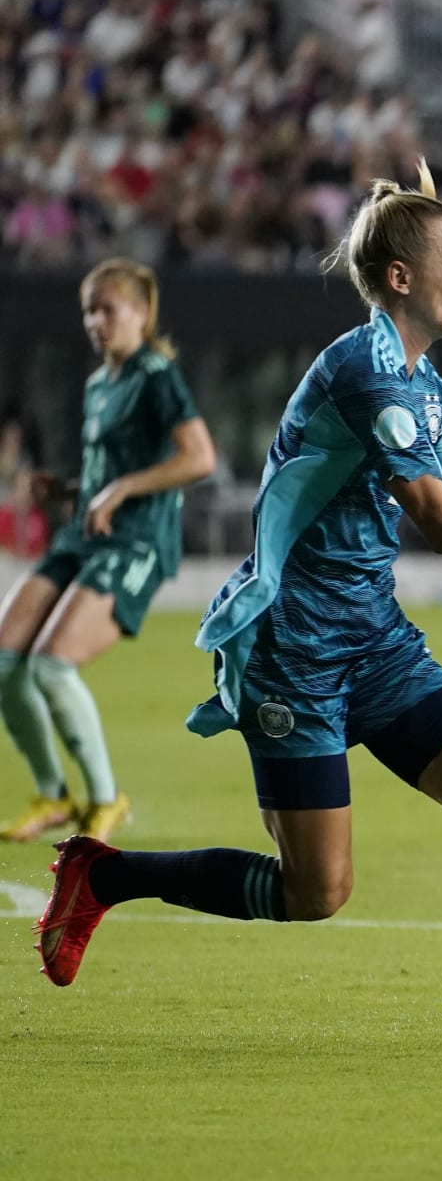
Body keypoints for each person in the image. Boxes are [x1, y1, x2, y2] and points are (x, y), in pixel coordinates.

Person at [33, 164, 442, 1052]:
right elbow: (434, 517)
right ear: (400, 277)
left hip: (376, 641)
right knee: (317, 894)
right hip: (291, 648)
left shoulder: (431, 391)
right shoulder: (363, 370)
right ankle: (103, 876)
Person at [0, 259, 216, 844]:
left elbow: (199, 457)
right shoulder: (100, 384)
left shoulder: (156, 374)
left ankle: (105, 800)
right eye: (89, 310)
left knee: (50, 664)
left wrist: (122, 489)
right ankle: (51, 793)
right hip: (84, 534)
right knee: (5, 661)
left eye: (108, 308)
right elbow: (110, 472)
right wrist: (70, 489)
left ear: (142, 314)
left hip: (136, 541)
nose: (96, 321)